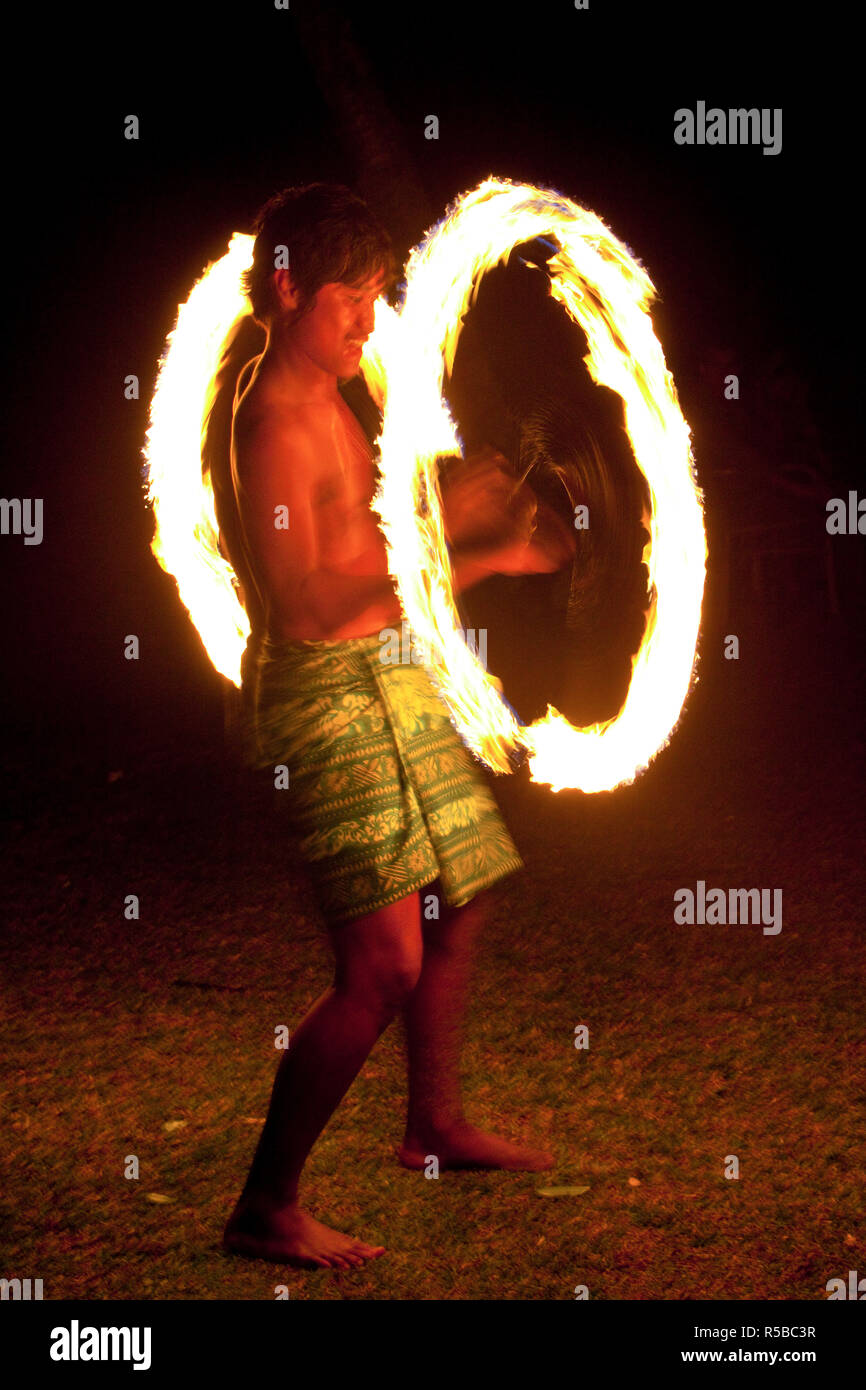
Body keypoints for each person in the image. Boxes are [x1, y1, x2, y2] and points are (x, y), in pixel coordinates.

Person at [218, 183, 575, 1270]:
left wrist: (477, 549)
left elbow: (369, 562)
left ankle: (429, 1126)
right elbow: (313, 600)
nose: (369, 321)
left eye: (375, 298)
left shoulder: (329, 389)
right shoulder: (274, 416)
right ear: (286, 287)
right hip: (326, 689)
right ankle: (265, 1206)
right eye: (349, 300)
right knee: (381, 966)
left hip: (388, 664)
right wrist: (446, 529)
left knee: (458, 887)